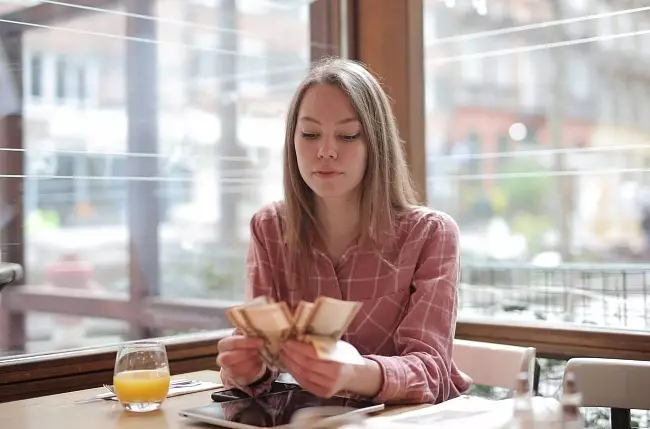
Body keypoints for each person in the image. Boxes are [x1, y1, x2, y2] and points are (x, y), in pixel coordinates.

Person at [217, 57, 472, 405]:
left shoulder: (430, 235)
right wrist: (248, 370)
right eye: (309, 134)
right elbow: (261, 361)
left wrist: (355, 372)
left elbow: (432, 372)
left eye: (348, 135)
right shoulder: (269, 228)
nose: (325, 151)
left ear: (375, 145)